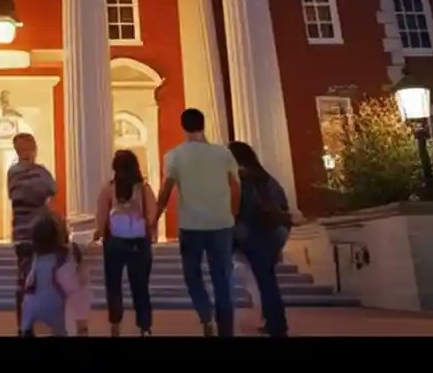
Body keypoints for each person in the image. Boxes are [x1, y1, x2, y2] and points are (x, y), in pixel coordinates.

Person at [154, 108, 240, 337]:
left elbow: (165, 191)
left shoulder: (174, 155)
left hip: (191, 225)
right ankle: (227, 330)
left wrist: (154, 220)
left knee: (192, 275)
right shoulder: (223, 154)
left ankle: (205, 315)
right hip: (221, 223)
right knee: (222, 278)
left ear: (183, 127)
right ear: (203, 125)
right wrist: (234, 214)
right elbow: (235, 186)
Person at [229, 141, 292, 338]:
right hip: (273, 233)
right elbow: (283, 205)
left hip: (251, 234)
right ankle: (276, 324)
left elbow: (240, 208)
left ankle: (272, 324)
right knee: (267, 281)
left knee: (258, 281)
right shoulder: (266, 178)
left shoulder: (241, 179)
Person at [93, 149, 156, 337]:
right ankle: (144, 327)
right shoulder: (144, 189)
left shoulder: (109, 188)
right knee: (140, 286)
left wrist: (100, 233)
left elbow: (101, 215)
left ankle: (115, 323)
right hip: (139, 243)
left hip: (114, 243)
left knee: (113, 285)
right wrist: (150, 233)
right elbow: (151, 214)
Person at [6, 132, 57, 333]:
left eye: (29, 147)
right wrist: (37, 189)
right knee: (24, 280)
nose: (27, 152)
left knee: (46, 279)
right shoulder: (14, 172)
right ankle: (24, 326)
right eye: (23, 148)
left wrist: (35, 189)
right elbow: (18, 193)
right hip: (23, 236)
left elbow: (52, 187)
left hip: (44, 234)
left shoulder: (41, 171)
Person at [20, 214, 83, 337]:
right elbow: (71, 284)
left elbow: (29, 283)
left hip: (34, 304)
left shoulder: (35, 259)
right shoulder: (62, 257)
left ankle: (26, 329)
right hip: (56, 302)